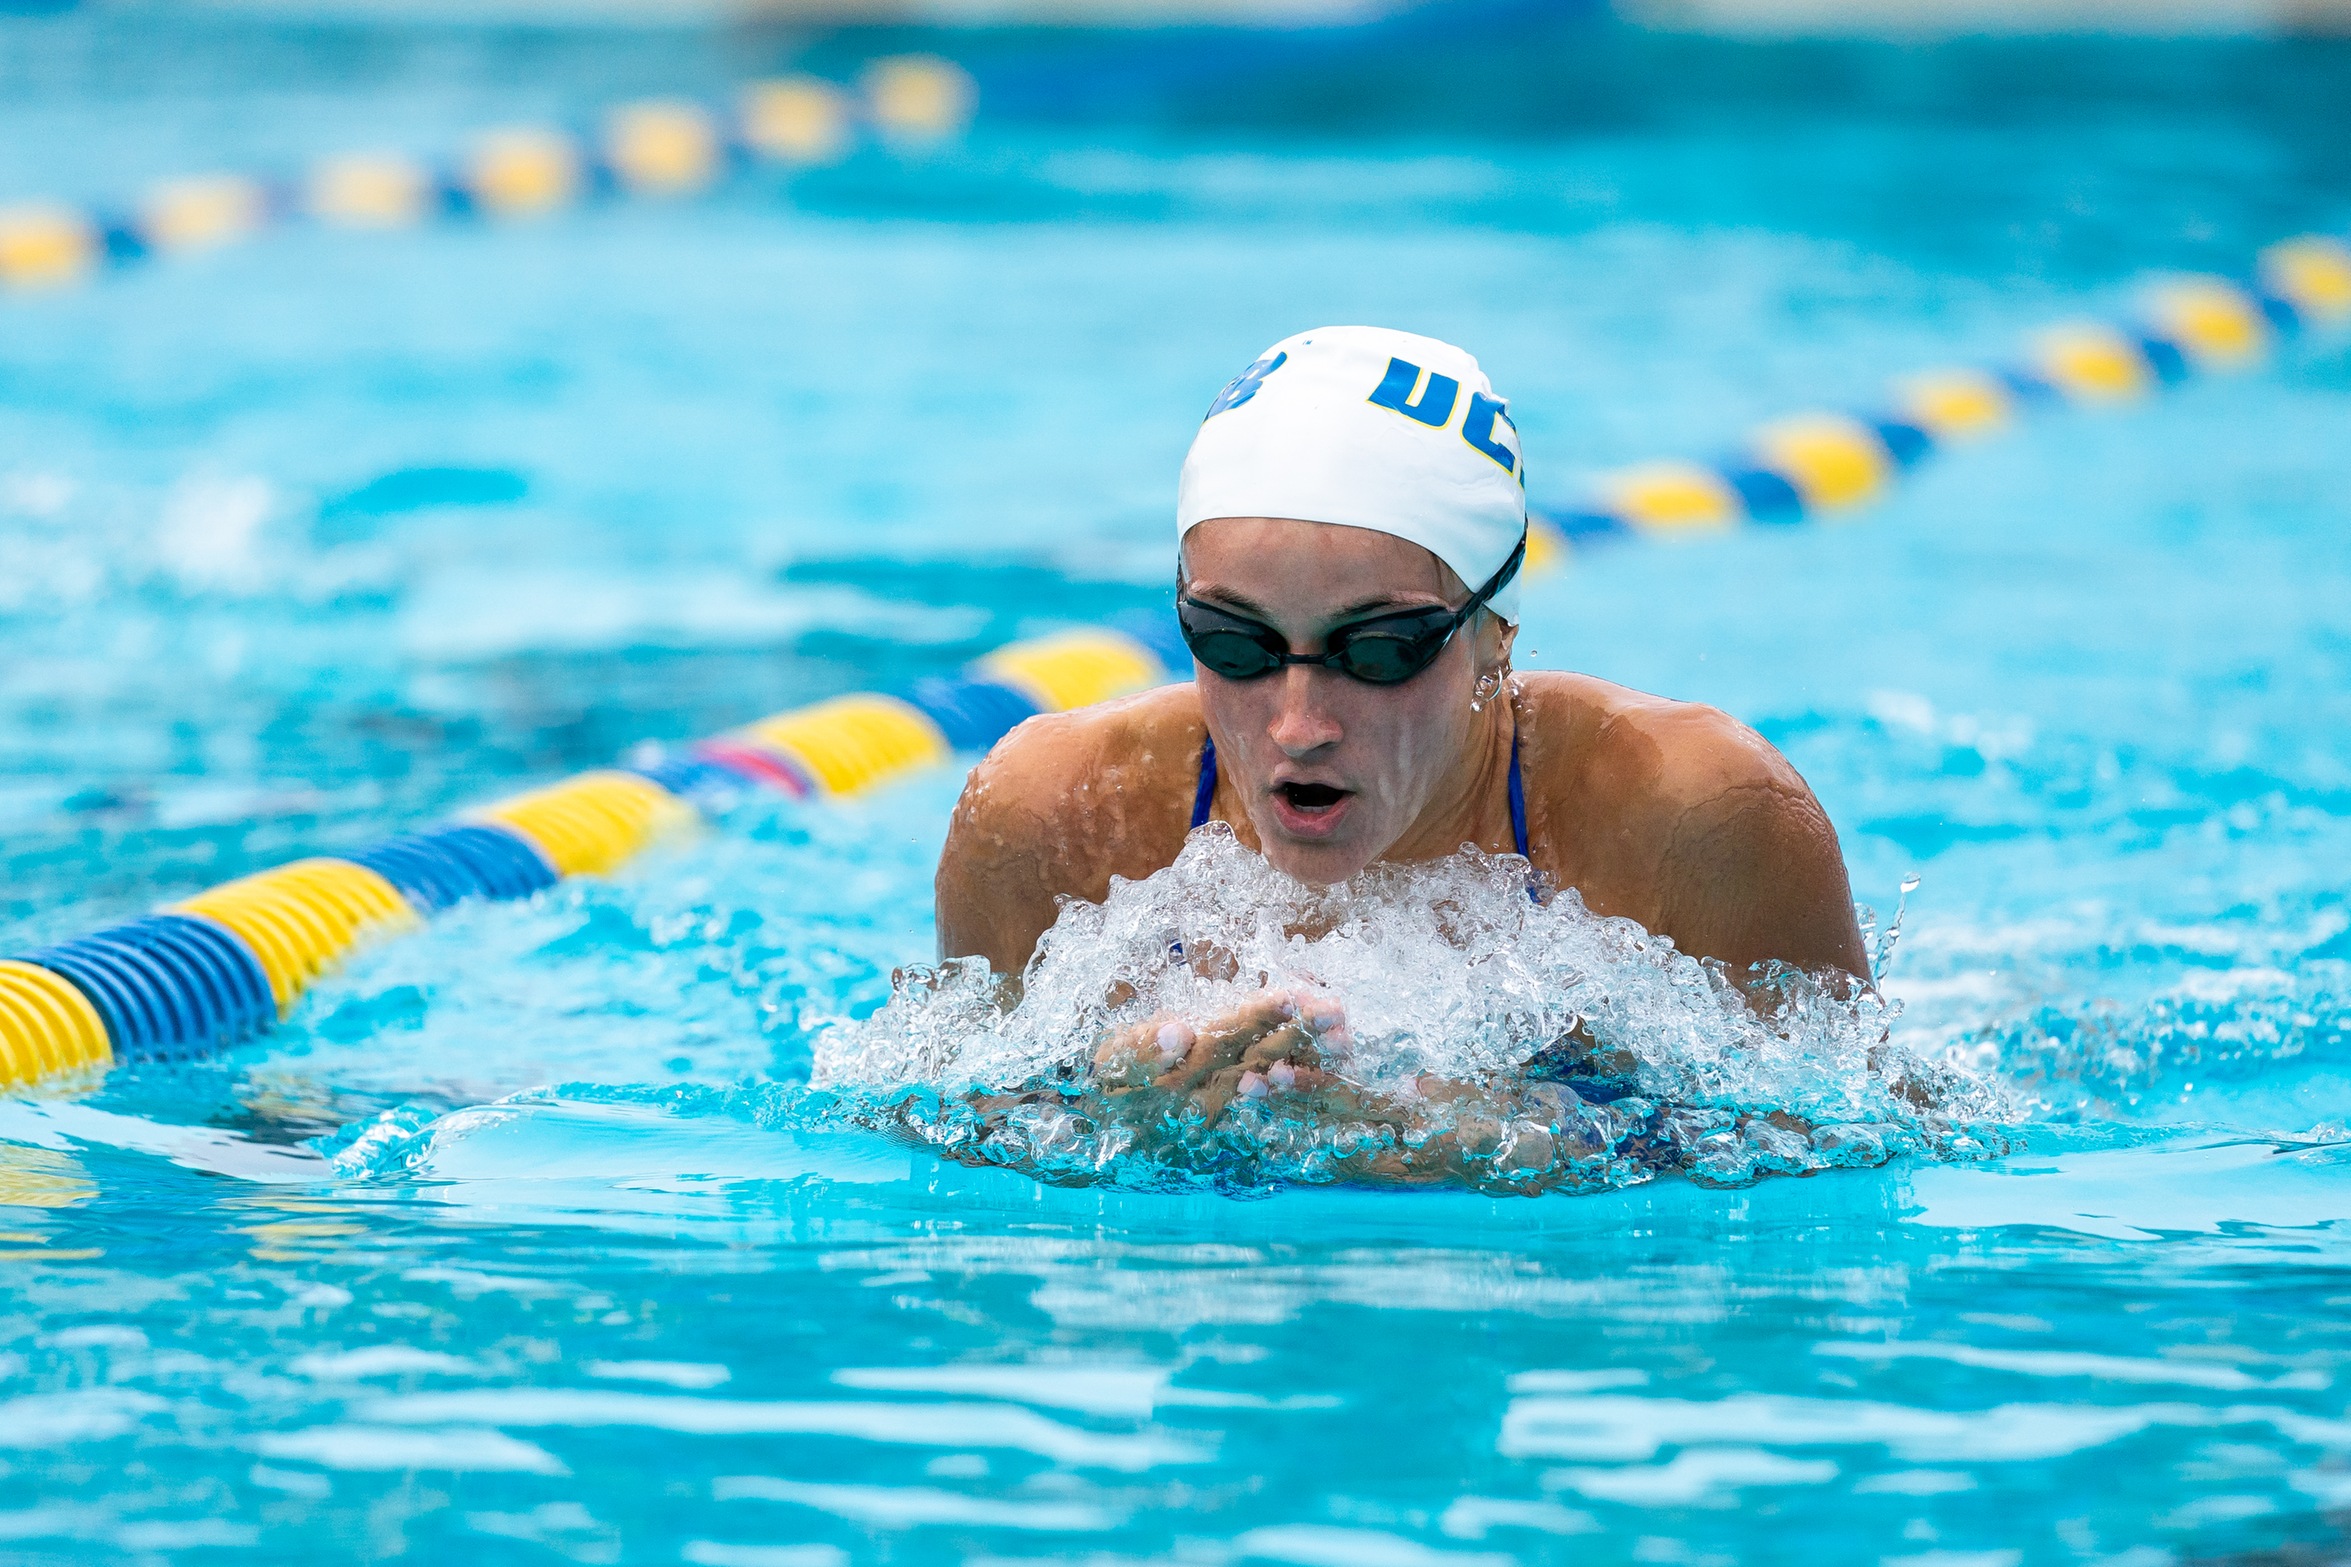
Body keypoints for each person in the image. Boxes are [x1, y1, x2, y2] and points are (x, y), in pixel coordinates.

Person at [931, 326, 1870, 1170]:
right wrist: (1096, 1116)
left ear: (1494, 629)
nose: (1298, 724)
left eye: (1378, 650)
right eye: (1234, 643)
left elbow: (1865, 1134)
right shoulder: (1055, 817)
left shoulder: (1694, 817)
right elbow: (928, 1119)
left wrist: (1527, 1140)